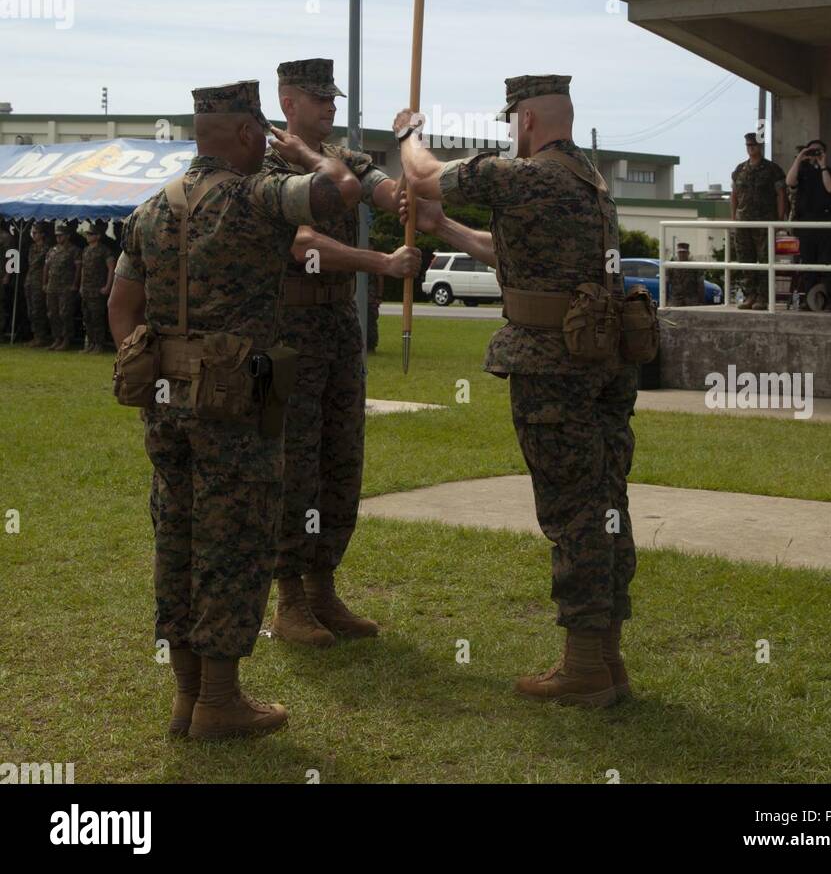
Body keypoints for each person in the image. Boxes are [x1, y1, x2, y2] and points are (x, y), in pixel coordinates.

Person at [107, 79, 356, 742]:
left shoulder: (152, 208)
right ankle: (220, 702)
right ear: (249, 134)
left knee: (178, 540)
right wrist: (309, 151)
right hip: (233, 404)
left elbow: (120, 307)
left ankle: (187, 699)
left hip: (166, 402)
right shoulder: (254, 197)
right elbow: (340, 190)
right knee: (234, 542)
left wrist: (160, 372)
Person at [396, 74, 637, 709]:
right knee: (606, 499)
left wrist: (408, 135)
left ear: (525, 121)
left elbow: (421, 175)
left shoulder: (521, 175)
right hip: (602, 362)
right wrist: (443, 227)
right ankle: (606, 658)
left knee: (572, 510)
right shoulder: (587, 180)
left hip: (554, 367)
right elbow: (512, 258)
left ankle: (584, 667)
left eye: (512, 124)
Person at [263, 58, 420, 648]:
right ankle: (288, 599)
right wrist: (380, 263)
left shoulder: (344, 158)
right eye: (317, 98)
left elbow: (390, 195)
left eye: (333, 97)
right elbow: (301, 242)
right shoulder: (266, 165)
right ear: (288, 103)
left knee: (339, 457)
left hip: (335, 325)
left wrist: (409, 151)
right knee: (289, 463)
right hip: (280, 332)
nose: (330, 106)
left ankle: (323, 585)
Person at [730, 132, 786, 310]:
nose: (751, 148)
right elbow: (734, 195)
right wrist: (733, 218)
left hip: (765, 222)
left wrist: (779, 220)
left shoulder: (772, 169)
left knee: (764, 260)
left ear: (760, 146)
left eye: (754, 145)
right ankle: (750, 295)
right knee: (745, 260)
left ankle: (763, 297)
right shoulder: (740, 169)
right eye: (748, 145)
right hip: (744, 222)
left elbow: (781, 195)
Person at [785, 140, 831, 309]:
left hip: (826, 220)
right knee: (808, 263)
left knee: (827, 262)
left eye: (819, 151)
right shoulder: (802, 171)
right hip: (806, 221)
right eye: (813, 151)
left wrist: (823, 165)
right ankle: (809, 300)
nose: (815, 154)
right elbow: (790, 181)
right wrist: (801, 157)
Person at [44, 220, 81, 349]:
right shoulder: (52, 250)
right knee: (52, 313)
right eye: (57, 236)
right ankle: (57, 338)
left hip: (66, 286)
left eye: (61, 235)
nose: (58, 238)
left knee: (64, 313)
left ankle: (66, 339)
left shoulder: (74, 250)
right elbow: (46, 267)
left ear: (67, 236)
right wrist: (45, 282)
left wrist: (75, 284)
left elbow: (78, 268)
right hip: (52, 286)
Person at [79, 224, 116, 352]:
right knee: (87, 317)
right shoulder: (86, 250)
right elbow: (83, 269)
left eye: (91, 234)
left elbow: (111, 268)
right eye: (87, 234)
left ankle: (99, 344)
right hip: (87, 289)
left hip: (98, 289)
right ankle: (91, 343)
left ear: (98, 236)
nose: (88, 236)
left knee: (97, 317)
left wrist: (107, 286)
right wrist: (81, 285)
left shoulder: (104, 250)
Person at [24, 223, 52, 346]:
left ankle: (41, 336)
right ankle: (36, 335)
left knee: (38, 310)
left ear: (42, 234)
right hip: (30, 280)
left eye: (36, 233)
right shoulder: (32, 247)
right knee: (31, 310)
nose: (33, 235)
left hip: (39, 281)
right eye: (32, 233)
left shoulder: (46, 248)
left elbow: (36, 262)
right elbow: (30, 262)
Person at [668, 242, 704, 306]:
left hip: (691, 299)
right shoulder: (672, 265)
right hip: (676, 299)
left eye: (684, 252)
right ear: (677, 253)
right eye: (680, 252)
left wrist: (700, 300)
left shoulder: (694, 266)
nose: (682, 254)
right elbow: (666, 282)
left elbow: (700, 284)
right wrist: (666, 299)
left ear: (688, 253)